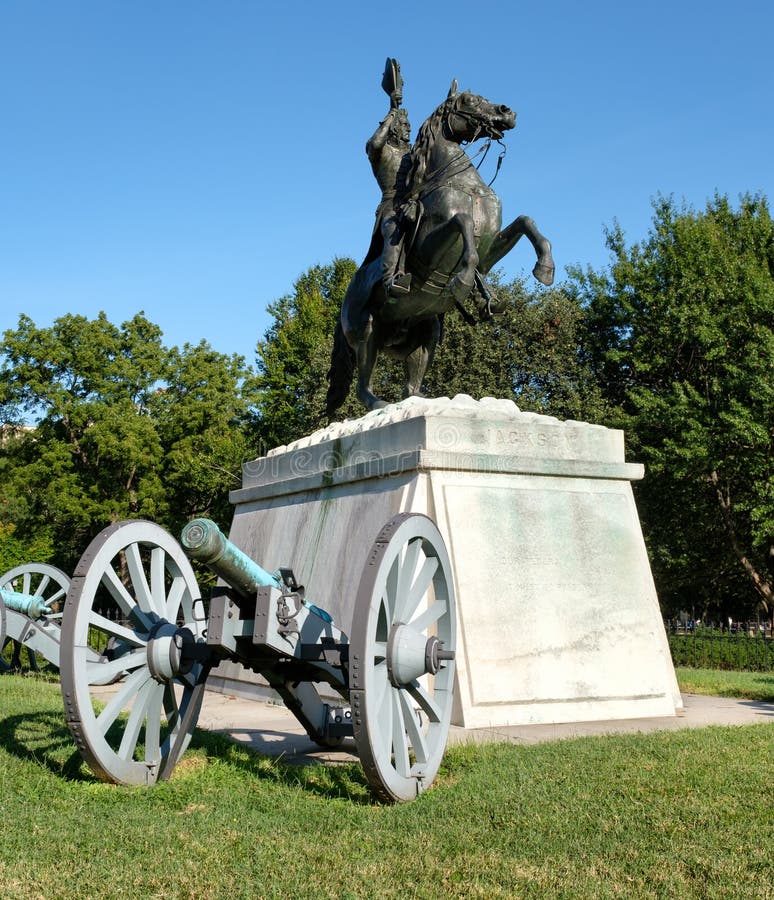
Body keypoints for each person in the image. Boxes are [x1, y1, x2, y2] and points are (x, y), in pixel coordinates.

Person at [366, 60, 413, 299]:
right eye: (404, 126)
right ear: (393, 128)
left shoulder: (412, 153)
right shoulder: (382, 152)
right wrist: (392, 112)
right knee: (394, 228)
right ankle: (389, 281)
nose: (409, 129)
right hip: (391, 207)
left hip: (413, 204)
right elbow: (375, 143)